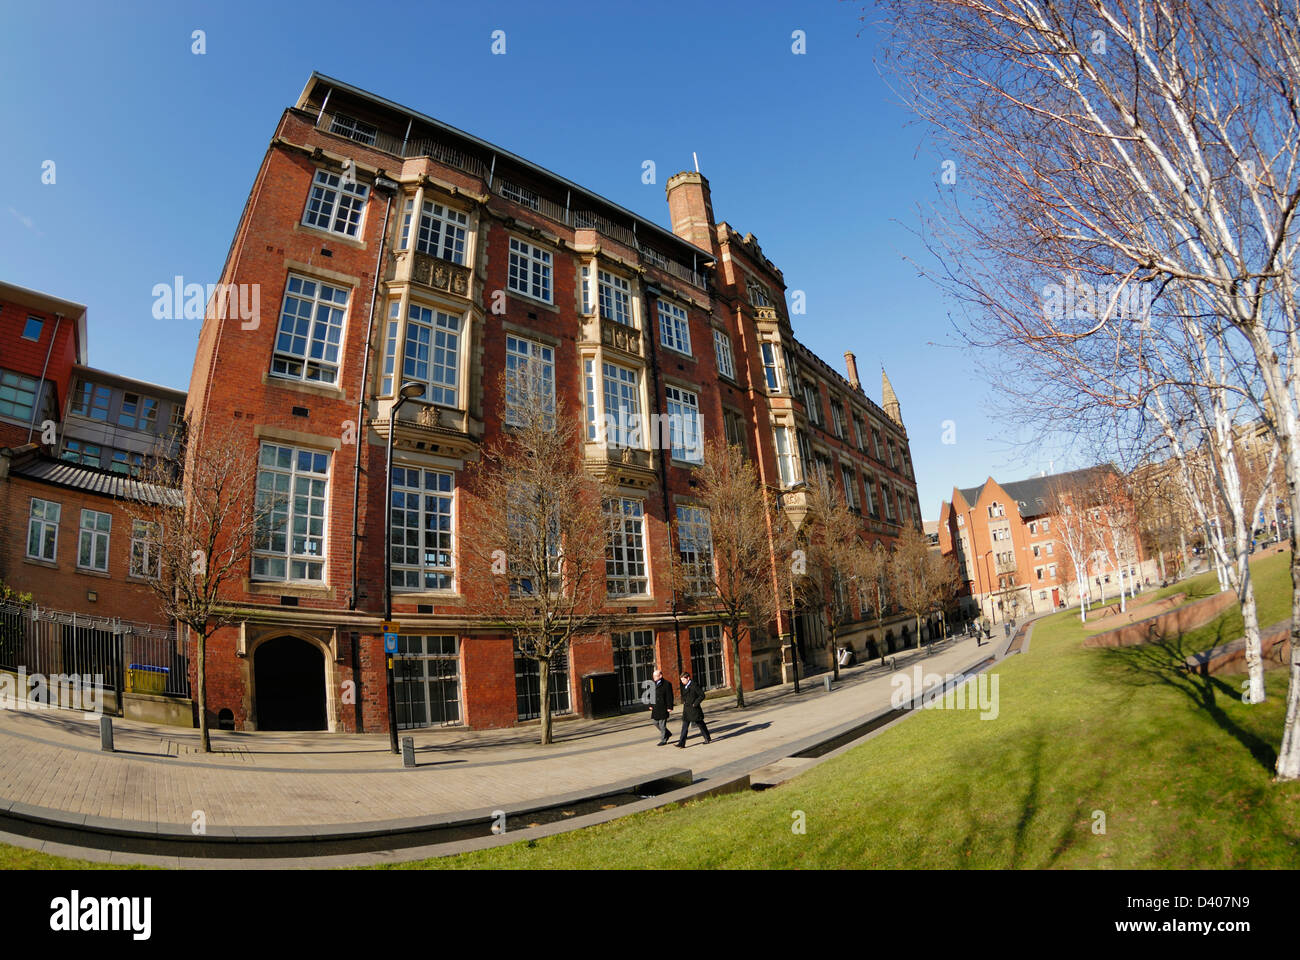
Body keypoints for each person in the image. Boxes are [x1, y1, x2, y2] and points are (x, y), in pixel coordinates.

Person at [675, 671, 711, 748]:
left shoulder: (694, 685)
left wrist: (695, 704)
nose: (682, 682)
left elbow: (702, 695)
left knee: (700, 724)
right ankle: (682, 743)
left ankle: (707, 737)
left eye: (683, 680)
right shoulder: (684, 686)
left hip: (694, 709)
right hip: (687, 709)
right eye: (681, 680)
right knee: (684, 726)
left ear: (688, 678)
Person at [649, 668, 674, 745]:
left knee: (662, 725)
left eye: (655, 676)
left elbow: (670, 696)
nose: (654, 678)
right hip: (655, 707)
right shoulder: (653, 684)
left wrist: (670, 707)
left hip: (663, 707)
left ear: (660, 676)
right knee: (655, 722)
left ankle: (663, 740)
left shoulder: (667, 684)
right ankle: (668, 733)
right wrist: (650, 705)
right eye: (653, 676)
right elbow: (651, 695)